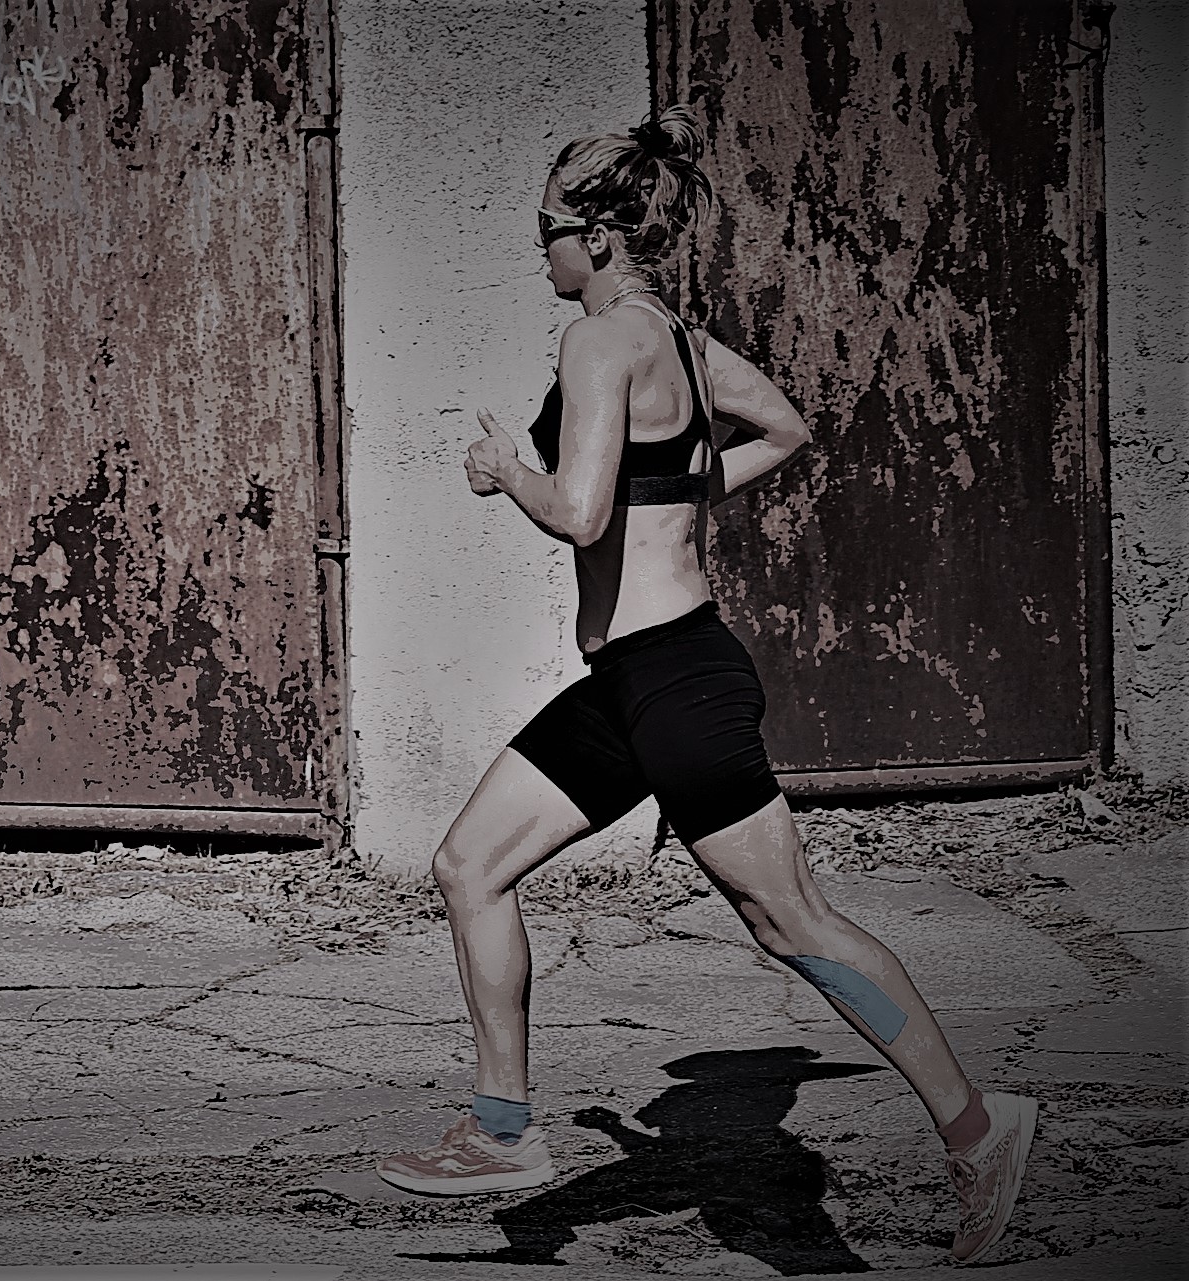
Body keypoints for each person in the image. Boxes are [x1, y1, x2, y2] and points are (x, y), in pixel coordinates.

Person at [373, 105, 1037, 1266]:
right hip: (631, 678)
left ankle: (983, 1130)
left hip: (676, 681)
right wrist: (674, 501)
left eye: (545, 232)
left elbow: (576, 513)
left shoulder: (597, 340)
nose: (540, 255)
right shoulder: (677, 339)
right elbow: (786, 426)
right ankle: (502, 1130)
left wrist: (503, 472)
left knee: (793, 923)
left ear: (596, 235)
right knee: (468, 864)